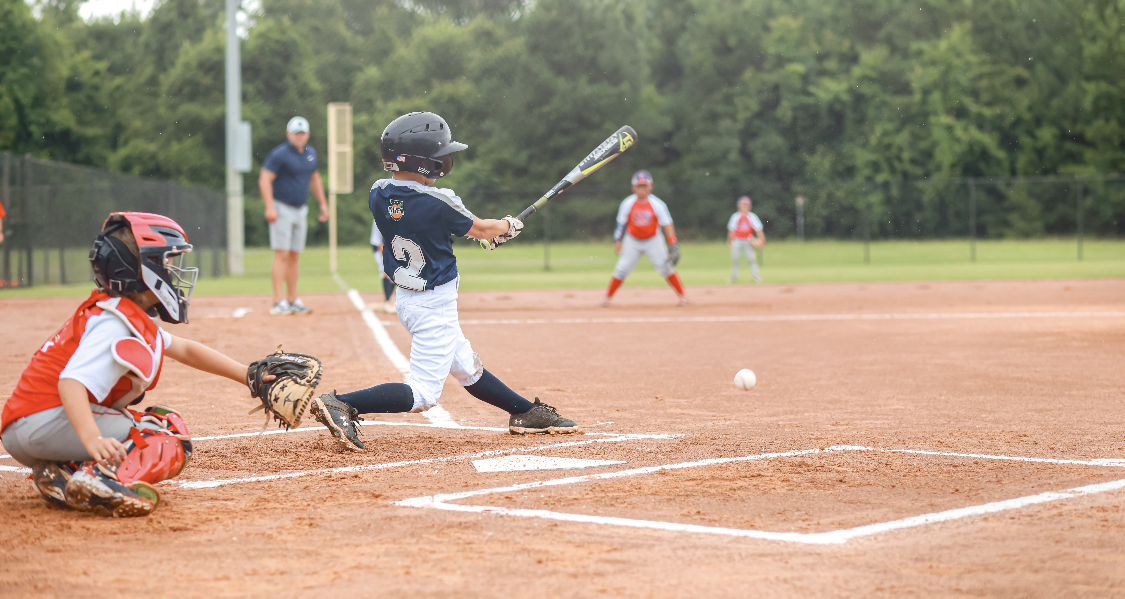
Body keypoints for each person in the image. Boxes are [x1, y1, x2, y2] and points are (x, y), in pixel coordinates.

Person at [308, 111, 580, 451]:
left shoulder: (378, 193)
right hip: (433, 304)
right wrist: (508, 226)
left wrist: (483, 233)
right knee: (423, 394)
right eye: (439, 156)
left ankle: (525, 412)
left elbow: (430, 225)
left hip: (408, 300)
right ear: (424, 162)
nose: (444, 161)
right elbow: (480, 228)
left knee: (467, 367)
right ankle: (343, 403)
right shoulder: (439, 199)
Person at [0, 212, 276, 517]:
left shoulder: (120, 313)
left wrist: (249, 376)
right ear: (143, 269)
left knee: (147, 422)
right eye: (168, 263)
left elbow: (184, 349)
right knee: (166, 434)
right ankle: (99, 478)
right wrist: (93, 440)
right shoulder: (115, 323)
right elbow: (71, 382)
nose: (173, 273)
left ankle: (60, 474)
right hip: (44, 424)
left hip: (27, 428)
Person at [259, 116, 329, 315]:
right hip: (282, 208)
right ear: (288, 134)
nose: (299, 137)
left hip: (301, 209)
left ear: (307, 134)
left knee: (294, 255)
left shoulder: (310, 153)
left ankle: (292, 299)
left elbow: (314, 178)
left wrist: (323, 204)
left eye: (302, 133)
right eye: (295, 133)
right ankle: (277, 300)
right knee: (281, 253)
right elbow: (265, 179)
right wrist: (269, 207)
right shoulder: (279, 154)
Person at [601, 170, 688, 307]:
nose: (642, 189)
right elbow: (621, 223)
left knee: (666, 267)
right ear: (633, 188)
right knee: (622, 268)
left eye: (645, 186)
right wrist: (617, 240)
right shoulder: (627, 203)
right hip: (632, 240)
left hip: (653, 239)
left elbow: (667, 224)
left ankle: (682, 296)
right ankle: (607, 298)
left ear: (651, 187)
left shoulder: (657, 204)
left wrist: (672, 241)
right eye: (639, 186)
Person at [727, 195, 766, 283]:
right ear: (739, 205)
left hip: (749, 240)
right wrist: (729, 242)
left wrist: (762, 240)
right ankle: (733, 278)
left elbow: (758, 229)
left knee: (752, 259)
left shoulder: (752, 216)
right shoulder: (735, 216)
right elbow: (731, 230)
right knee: (735, 259)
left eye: (746, 204)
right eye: (743, 204)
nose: (745, 206)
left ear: (749, 206)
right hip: (737, 240)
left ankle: (756, 277)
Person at [370, 219, 396, 313]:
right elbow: (379, 244)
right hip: (380, 247)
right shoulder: (381, 216)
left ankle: (390, 300)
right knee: (386, 271)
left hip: (394, 247)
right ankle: (388, 300)